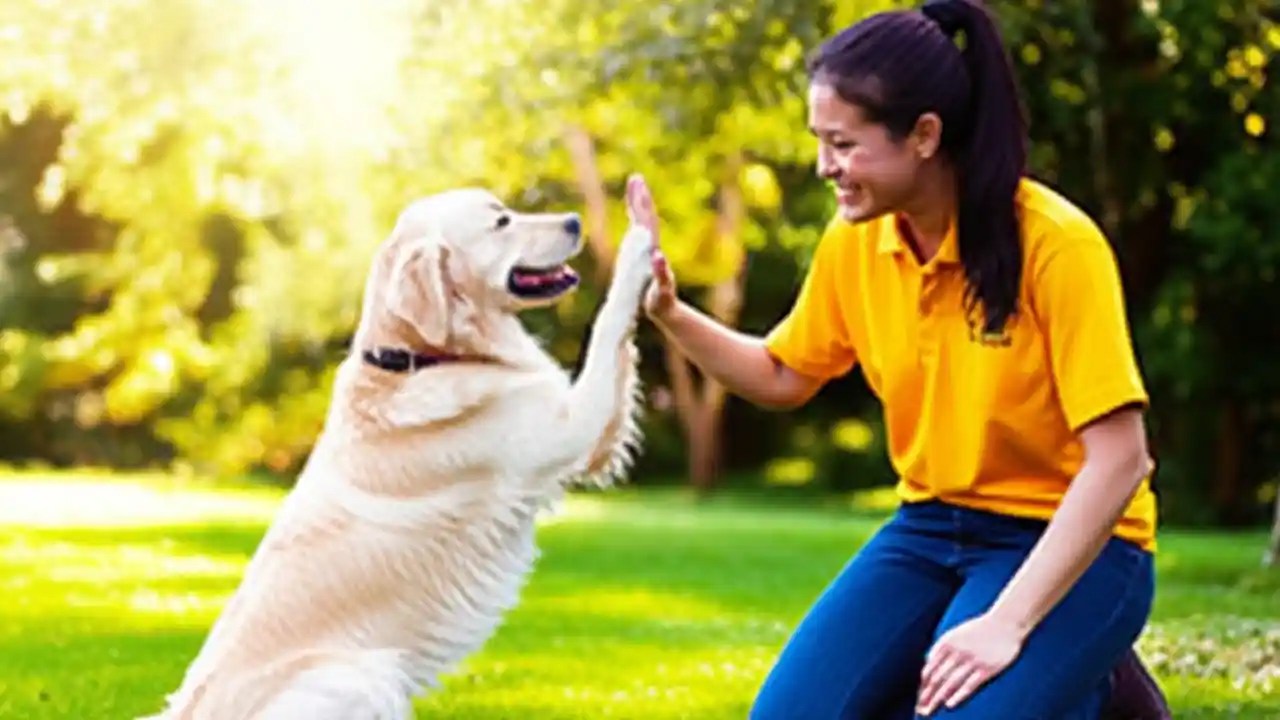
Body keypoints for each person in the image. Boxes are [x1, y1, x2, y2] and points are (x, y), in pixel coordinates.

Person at [624, 0, 1173, 717]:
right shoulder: (856, 241)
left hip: (1078, 543)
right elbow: (784, 374)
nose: (824, 167)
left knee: (960, 709)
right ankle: (1072, 680)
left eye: (843, 144)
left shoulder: (1056, 246)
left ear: (924, 135)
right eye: (820, 142)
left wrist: (1007, 624)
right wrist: (670, 313)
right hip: (930, 530)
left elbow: (1120, 461)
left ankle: (1085, 683)